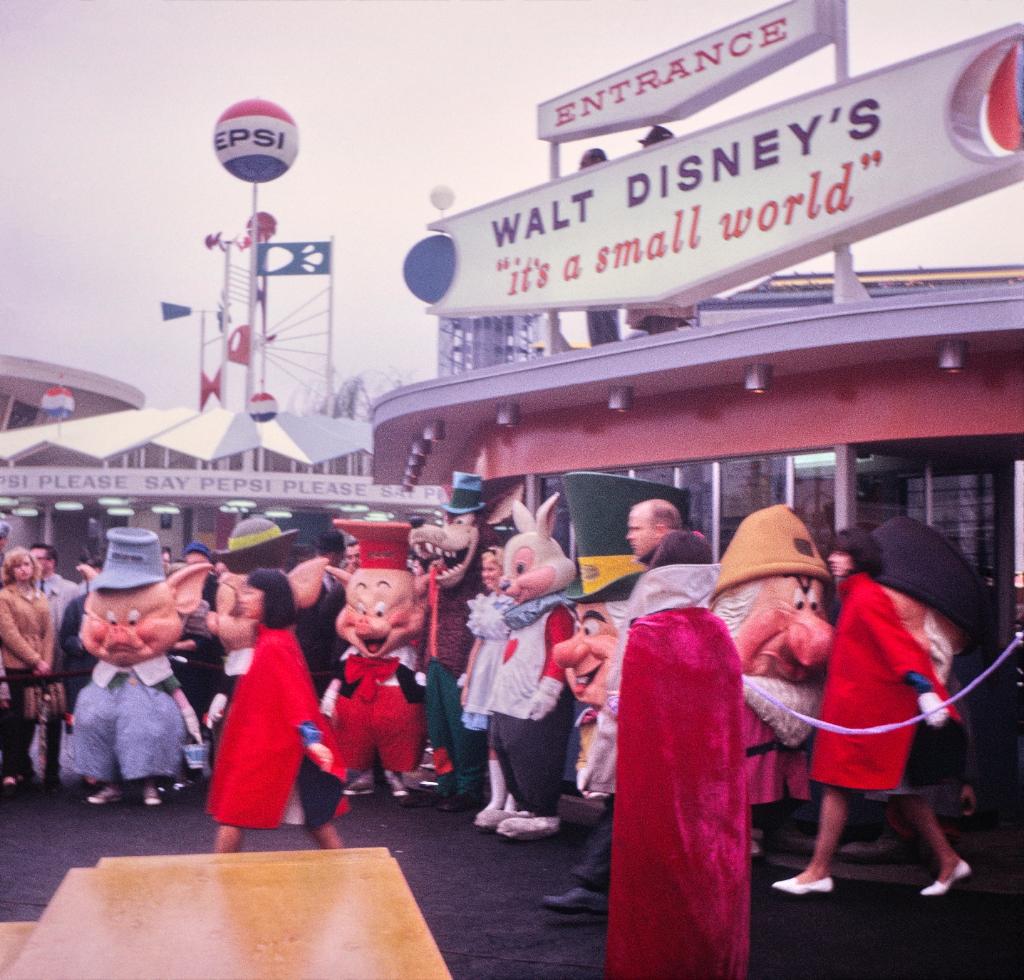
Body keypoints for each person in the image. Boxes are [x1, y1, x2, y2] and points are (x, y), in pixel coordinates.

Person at [773, 528, 970, 898]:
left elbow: (898, 645)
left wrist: (925, 689)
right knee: (900, 793)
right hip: (865, 714)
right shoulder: (856, 596)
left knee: (841, 787)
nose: (833, 557)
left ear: (858, 558)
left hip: (870, 716)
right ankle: (948, 861)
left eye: (841, 553)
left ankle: (818, 871)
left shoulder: (866, 597)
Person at [207, 568, 347, 852]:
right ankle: (345, 871)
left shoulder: (273, 644)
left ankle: (219, 879)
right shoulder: (272, 638)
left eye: (249, 593)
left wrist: (311, 740)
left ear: (269, 599)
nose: (242, 598)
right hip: (277, 744)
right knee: (315, 818)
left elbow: (296, 698)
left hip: (273, 746)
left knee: (232, 815)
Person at [460, 546, 515, 816]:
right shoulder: (484, 603)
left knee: (509, 738)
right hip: (485, 671)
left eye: (491, 568)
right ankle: (496, 798)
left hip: (507, 667)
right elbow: (477, 644)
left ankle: (513, 800)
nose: (486, 574)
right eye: (484, 569)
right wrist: (468, 683)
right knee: (492, 739)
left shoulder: (515, 603)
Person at [0, 548, 54, 795]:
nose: (23, 569)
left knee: (33, 720)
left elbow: (48, 633)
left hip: (40, 666)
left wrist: (46, 662)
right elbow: (9, 634)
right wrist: (34, 660)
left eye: (27, 565)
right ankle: (10, 772)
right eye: (18, 566)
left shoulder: (41, 596)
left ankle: (23, 767)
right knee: (15, 721)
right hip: (15, 666)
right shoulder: (5, 597)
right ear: (10, 570)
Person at [30, 543, 77, 790]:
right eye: (31, 558)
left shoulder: (71, 590)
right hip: (25, 665)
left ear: (52, 562)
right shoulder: (18, 590)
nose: (35, 563)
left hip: (59, 665)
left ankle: (51, 771)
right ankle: (23, 768)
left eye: (40, 558)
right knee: (25, 717)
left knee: (55, 718)